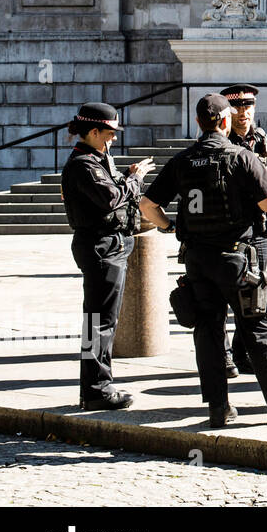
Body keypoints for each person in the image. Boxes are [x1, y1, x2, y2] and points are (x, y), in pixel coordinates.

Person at [140, 94, 267, 427]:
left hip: (196, 259)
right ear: (225, 121)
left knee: (208, 332)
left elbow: (147, 205)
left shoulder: (182, 160)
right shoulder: (241, 157)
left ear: (198, 122)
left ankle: (218, 408)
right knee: (257, 329)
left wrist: (172, 226)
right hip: (236, 258)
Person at [61, 102, 153, 411]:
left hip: (108, 244)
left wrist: (125, 175)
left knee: (100, 320)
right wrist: (135, 178)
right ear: (94, 131)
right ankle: (97, 388)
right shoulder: (83, 164)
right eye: (109, 133)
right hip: (100, 246)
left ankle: (94, 387)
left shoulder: (97, 159)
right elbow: (110, 198)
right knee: (99, 322)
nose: (113, 139)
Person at [221, 84, 267, 378]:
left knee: (254, 294)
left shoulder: (260, 138)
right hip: (233, 228)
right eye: (237, 108)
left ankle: (242, 351)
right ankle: (223, 355)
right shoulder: (222, 141)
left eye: (248, 107)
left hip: (259, 229)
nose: (243, 113)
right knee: (226, 294)